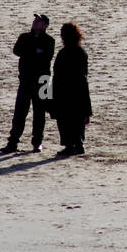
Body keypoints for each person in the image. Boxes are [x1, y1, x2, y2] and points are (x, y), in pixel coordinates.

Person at [0, 14, 54, 153]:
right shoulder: (24, 37)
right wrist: (35, 51)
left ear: (44, 25)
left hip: (43, 81)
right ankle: (13, 142)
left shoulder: (49, 40)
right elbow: (17, 50)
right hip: (26, 80)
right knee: (20, 112)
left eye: (38, 21)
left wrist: (31, 52)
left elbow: (46, 57)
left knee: (40, 114)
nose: (35, 22)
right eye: (35, 20)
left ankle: (37, 142)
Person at [51, 22, 92, 157]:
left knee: (65, 120)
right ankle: (79, 144)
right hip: (79, 89)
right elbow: (84, 73)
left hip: (64, 91)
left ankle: (70, 146)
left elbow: (56, 74)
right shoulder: (81, 52)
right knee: (78, 118)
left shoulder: (63, 53)